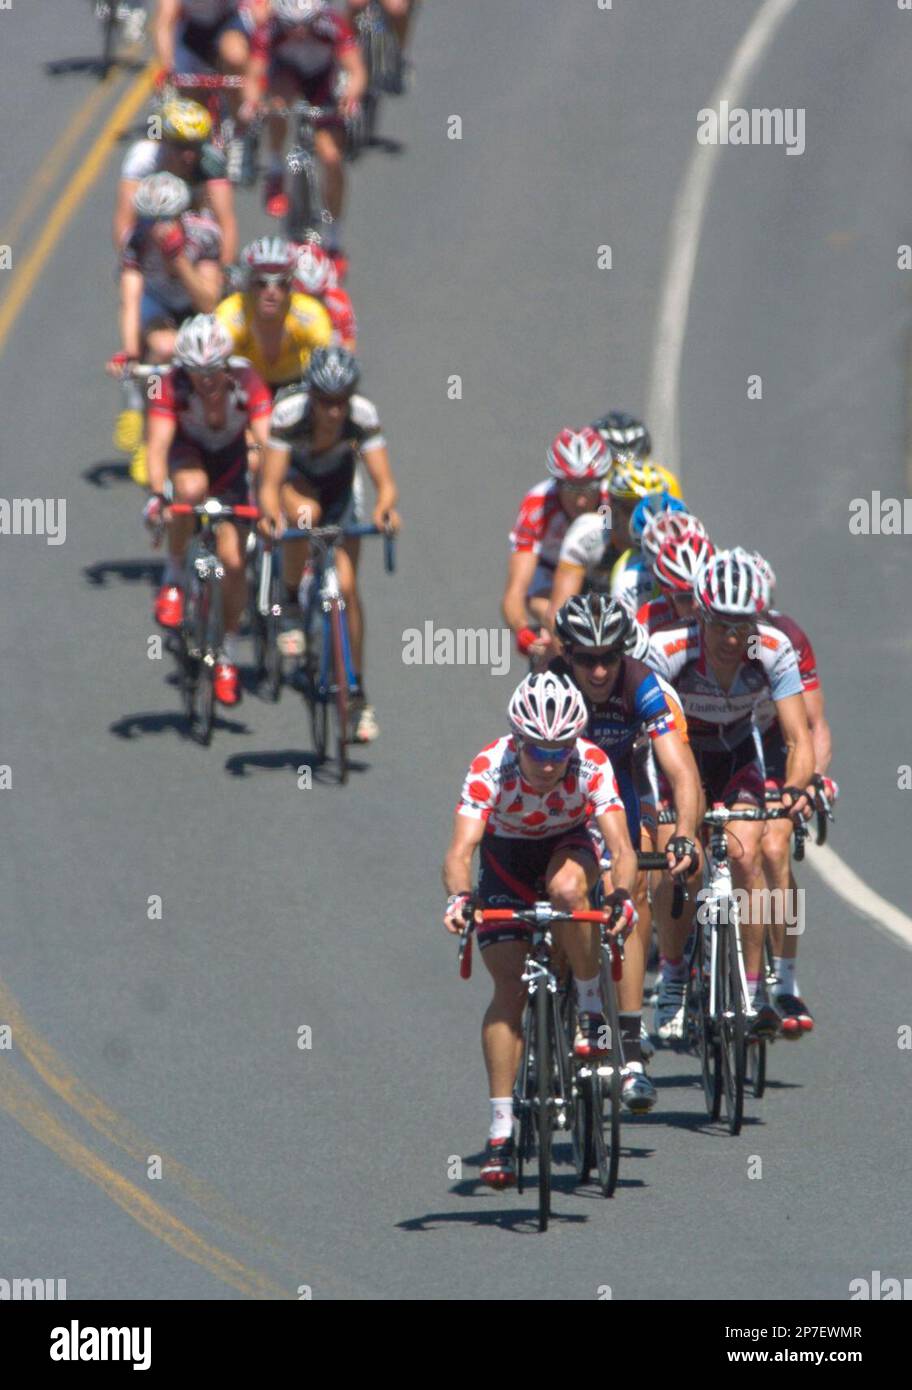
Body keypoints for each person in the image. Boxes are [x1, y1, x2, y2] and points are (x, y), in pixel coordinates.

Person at [442, 672, 638, 1188]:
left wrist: (621, 894)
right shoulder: (490, 766)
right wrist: (460, 898)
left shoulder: (591, 762)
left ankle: (590, 1007)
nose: (550, 763)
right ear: (518, 741)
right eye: (538, 751)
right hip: (505, 860)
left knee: (568, 892)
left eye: (560, 751)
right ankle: (501, 1130)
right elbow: (460, 851)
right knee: (509, 987)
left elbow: (622, 847)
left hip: (568, 846)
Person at [646, 550, 815, 1039]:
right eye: (720, 625)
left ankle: (753, 989)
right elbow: (649, 733)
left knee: (747, 856)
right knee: (681, 861)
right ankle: (673, 978)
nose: (732, 639)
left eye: (742, 626)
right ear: (699, 615)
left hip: (738, 754)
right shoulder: (667, 648)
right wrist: (663, 807)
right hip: (679, 755)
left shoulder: (773, 648)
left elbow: (798, 738)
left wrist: (793, 790)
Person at [551, 595, 702, 1109]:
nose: (598, 671)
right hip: (562, 800)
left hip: (621, 792)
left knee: (632, 885)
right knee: (560, 896)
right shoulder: (549, 685)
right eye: (586, 658)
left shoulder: (641, 684)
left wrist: (684, 834)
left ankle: (631, 1052)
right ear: (566, 655)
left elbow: (681, 771)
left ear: (624, 654)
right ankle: (560, 1009)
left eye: (609, 658)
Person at [258, 346, 400, 741]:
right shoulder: (289, 414)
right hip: (298, 486)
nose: (334, 412)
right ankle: (289, 601)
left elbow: (385, 484)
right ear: (311, 396)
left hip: (341, 491)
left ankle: (355, 693)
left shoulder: (362, 415)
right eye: (325, 401)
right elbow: (269, 485)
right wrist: (270, 516)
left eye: (341, 401)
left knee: (349, 589)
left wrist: (385, 511)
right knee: (305, 517)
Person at [144, 315, 273, 704]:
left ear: (226, 362)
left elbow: (270, 446)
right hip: (189, 456)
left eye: (213, 369)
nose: (205, 379)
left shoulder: (247, 381)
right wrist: (158, 496)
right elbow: (157, 446)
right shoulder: (170, 384)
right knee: (189, 490)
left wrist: (269, 503)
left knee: (233, 562)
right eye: (196, 371)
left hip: (231, 464)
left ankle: (226, 654)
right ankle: (174, 578)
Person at [749, 550, 837, 1036]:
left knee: (774, 848)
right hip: (724, 746)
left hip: (777, 748)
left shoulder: (788, 639)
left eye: (759, 618)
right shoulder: (708, 642)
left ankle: (785, 979)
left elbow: (814, 725)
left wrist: (812, 781)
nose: (749, 633)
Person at [241, 0, 366, 255]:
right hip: (287, 77)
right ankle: (275, 167)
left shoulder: (333, 25)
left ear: (318, 17)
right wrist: (252, 103)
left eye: (306, 24)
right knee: (277, 105)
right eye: (290, 25)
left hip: (323, 83)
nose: (298, 32)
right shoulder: (269, 30)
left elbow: (356, 70)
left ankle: (334, 238)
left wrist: (351, 97)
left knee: (331, 158)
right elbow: (252, 76)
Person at [502, 428, 610, 666]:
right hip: (552, 578)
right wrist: (522, 631)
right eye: (572, 488)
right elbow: (515, 592)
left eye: (590, 487)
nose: (581, 500)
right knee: (540, 606)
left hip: (602, 573)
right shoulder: (537, 506)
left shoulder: (610, 504)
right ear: (557, 483)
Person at [545, 456, 669, 629]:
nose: (644, 517)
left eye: (652, 508)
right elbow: (557, 616)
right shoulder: (587, 535)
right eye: (631, 508)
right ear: (612, 508)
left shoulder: (676, 538)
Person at [114, 99, 237, 267]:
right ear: (163, 141)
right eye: (180, 146)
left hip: (194, 234)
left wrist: (225, 270)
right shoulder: (143, 158)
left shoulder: (211, 163)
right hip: (151, 233)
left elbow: (226, 223)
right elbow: (125, 221)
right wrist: (132, 263)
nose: (188, 155)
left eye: (195, 146)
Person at [215, 236, 333, 390]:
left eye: (281, 284)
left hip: (296, 385)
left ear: (291, 287)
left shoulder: (311, 314)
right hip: (245, 386)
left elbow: (329, 365)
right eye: (261, 283)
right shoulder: (230, 312)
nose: (271, 292)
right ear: (248, 286)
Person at [292, 240, 357, 349]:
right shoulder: (286, 304)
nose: (314, 304)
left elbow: (349, 343)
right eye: (308, 298)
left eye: (319, 296)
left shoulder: (339, 302)